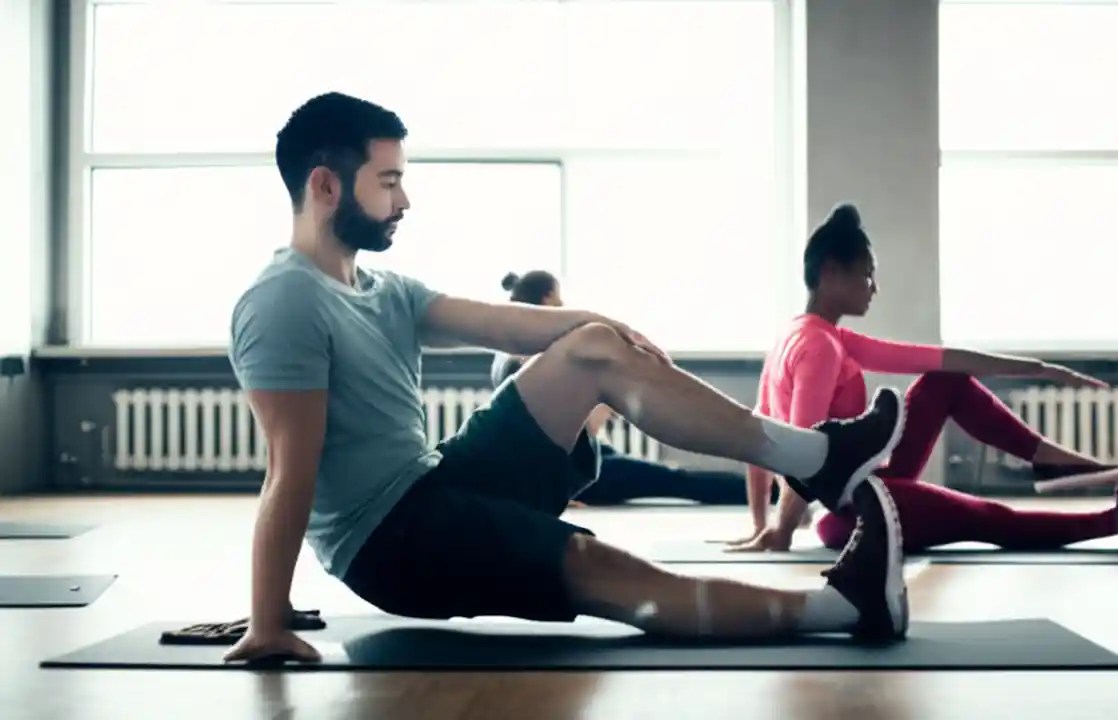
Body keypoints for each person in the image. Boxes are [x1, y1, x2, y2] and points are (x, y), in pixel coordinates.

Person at [222, 92, 914, 665]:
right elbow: (291, 468)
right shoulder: (285, 301)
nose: (404, 202)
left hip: (437, 483)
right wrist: (268, 618)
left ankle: (819, 458)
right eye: (389, 181)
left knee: (587, 347)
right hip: (390, 544)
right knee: (607, 571)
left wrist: (611, 326)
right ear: (325, 185)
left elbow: (506, 324)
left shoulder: (383, 288)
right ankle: (845, 607)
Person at [726, 203, 1118, 555]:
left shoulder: (807, 335)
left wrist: (1040, 369)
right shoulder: (820, 346)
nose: (873, 287)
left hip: (868, 480)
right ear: (830, 274)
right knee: (986, 516)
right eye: (867, 274)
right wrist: (779, 531)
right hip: (858, 509)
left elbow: (756, 436)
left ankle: (1052, 461)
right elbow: (804, 448)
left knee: (946, 379)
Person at [491, 270, 766, 508]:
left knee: (673, 477)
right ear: (546, 301)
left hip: (580, 458)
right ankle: (771, 494)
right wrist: (555, 490)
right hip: (570, 468)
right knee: (676, 480)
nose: (565, 309)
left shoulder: (511, 355)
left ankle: (770, 493)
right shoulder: (528, 360)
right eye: (559, 302)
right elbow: (533, 441)